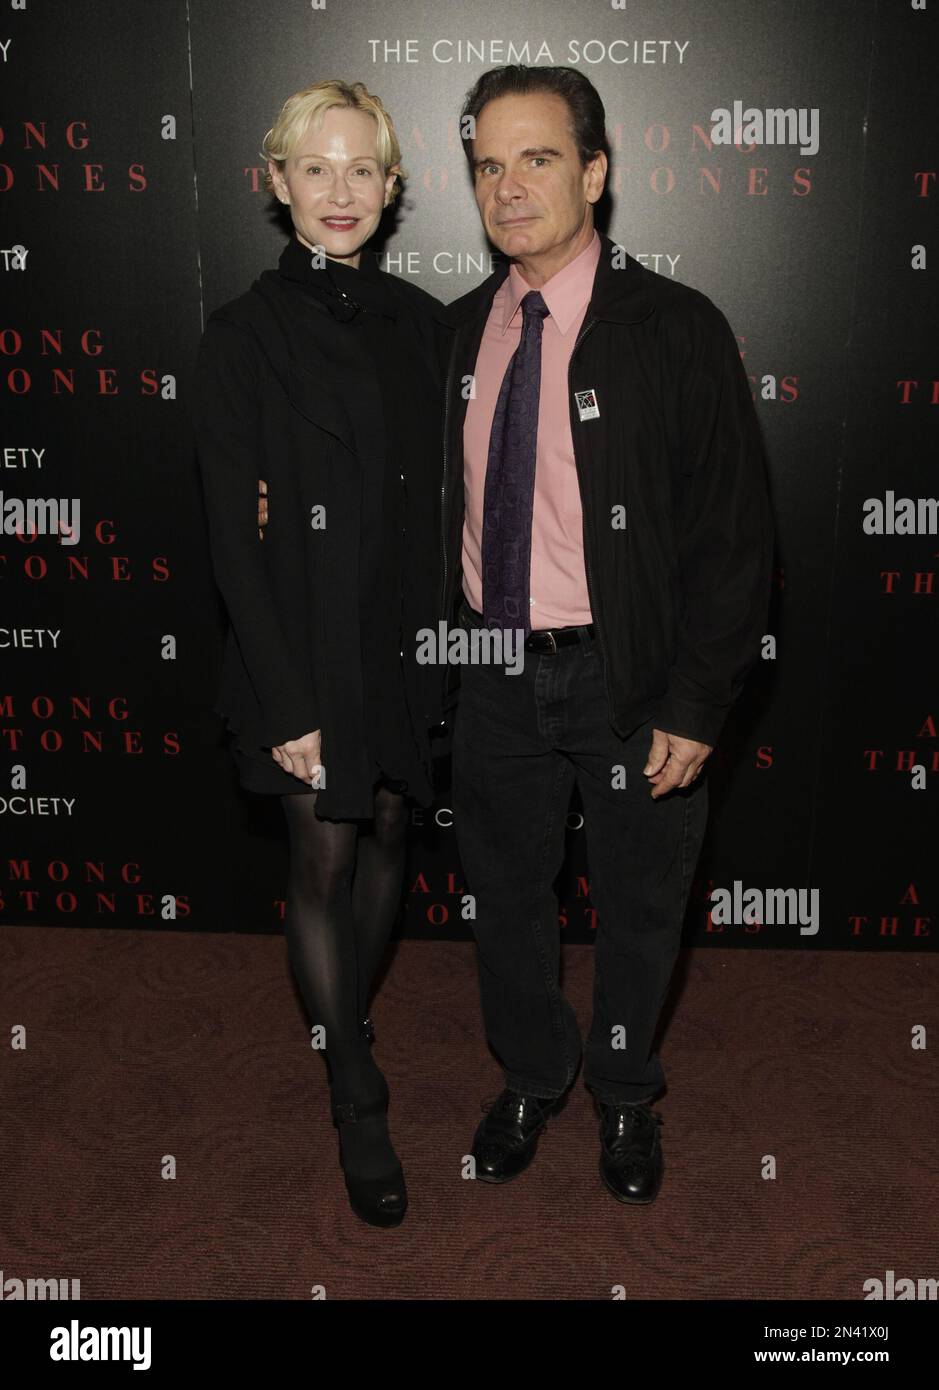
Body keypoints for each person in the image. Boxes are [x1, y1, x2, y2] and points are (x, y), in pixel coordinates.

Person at [438, 65, 775, 1205]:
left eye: (538, 158)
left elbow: (737, 538)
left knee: (639, 903)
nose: (509, 185)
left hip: (628, 675)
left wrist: (696, 701)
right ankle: (534, 1074)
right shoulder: (453, 337)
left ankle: (626, 1093)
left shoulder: (676, 328)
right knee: (507, 896)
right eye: (489, 162)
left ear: (595, 171)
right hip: (490, 666)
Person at [192, 79, 450, 1227]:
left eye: (362, 170)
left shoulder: (426, 324)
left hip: (403, 638)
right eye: (316, 168)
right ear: (277, 182)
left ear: (392, 189)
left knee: (392, 828)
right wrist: (287, 698)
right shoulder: (243, 335)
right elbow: (230, 546)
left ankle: (349, 1011)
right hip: (298, 646)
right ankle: (353, 1083)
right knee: (324, 862)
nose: (339, 192)